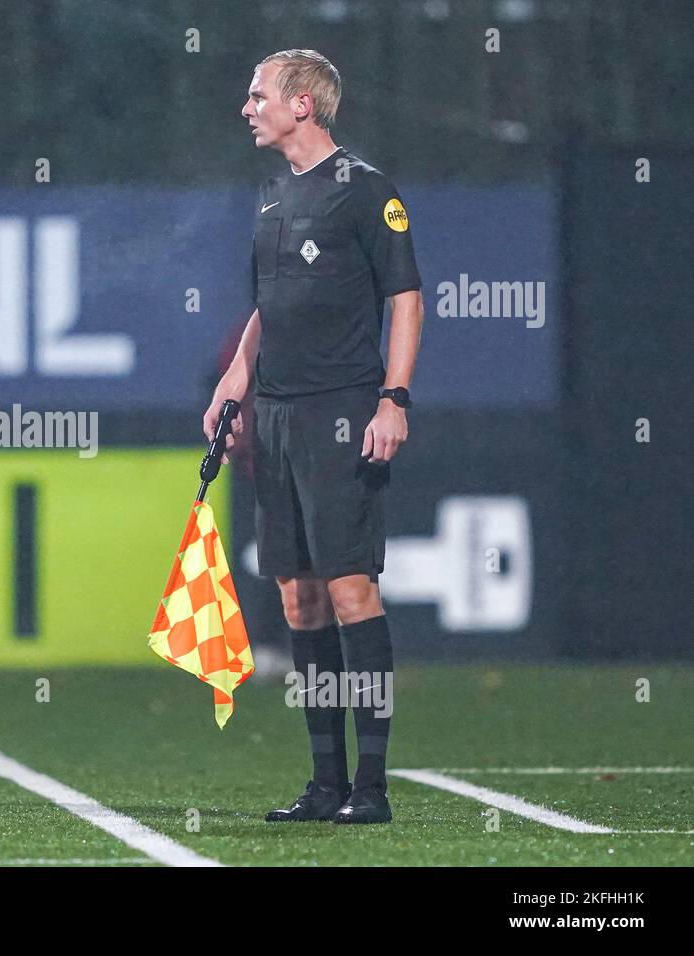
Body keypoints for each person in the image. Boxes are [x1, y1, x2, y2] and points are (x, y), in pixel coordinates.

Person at [205, 49, 424, 824]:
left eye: (258, 94)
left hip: (343, 410)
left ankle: (372, 787)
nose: (247, 107)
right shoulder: (272, 202)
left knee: (348, 588)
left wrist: (392, 398)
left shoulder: (365, 193)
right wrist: (238, 377)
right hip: (276, 415)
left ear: (303, 104)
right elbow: (271, 303)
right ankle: (324, 782)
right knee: (297, 598)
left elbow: (405, 299)